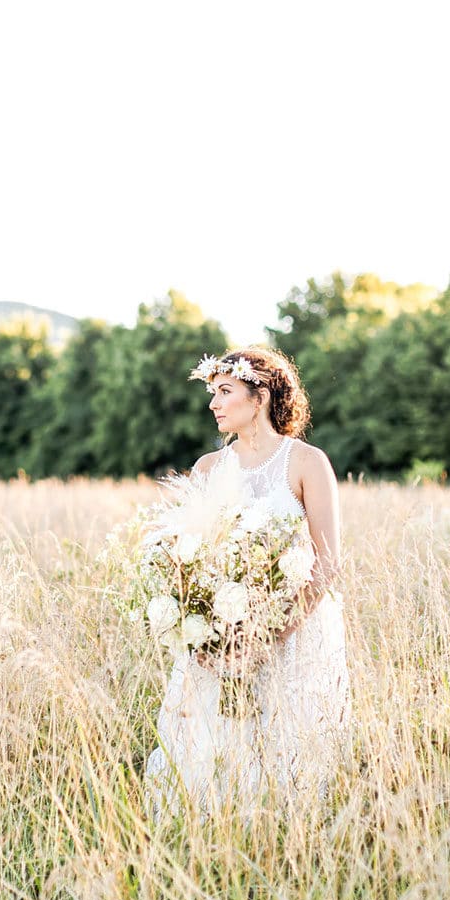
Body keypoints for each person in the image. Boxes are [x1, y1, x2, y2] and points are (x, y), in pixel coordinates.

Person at [144, 347, 352, 822]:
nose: (213, 404)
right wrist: (203, 630)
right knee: (210, 749)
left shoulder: (306, 462)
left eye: (224, 391)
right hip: (218, 640)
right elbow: (185, 562)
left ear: (258, 396)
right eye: (211, 393)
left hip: (294, 632)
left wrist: (267, 635)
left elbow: (328, 562)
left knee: (287, 750)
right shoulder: (207, 469)